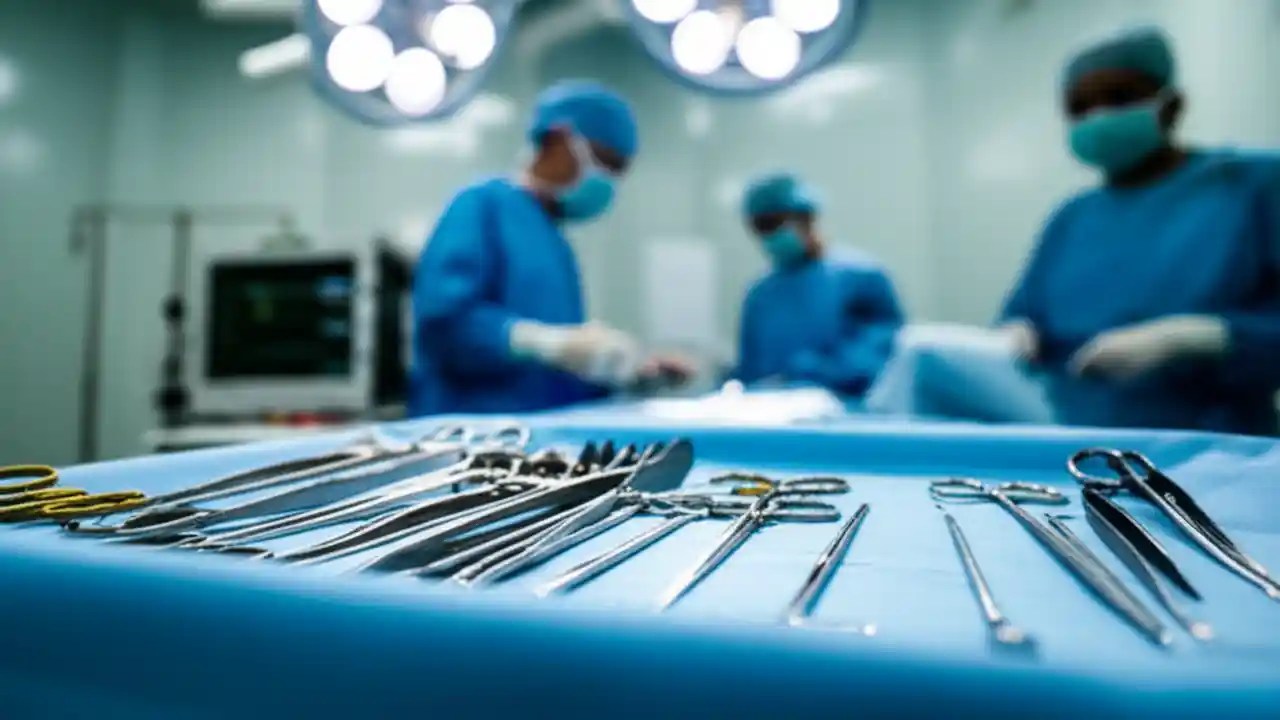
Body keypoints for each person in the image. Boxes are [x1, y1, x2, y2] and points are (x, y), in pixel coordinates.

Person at [1000, 26, 1280, 434]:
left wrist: (1202, 338)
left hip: (1216, 453)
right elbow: (1024, 312)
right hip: (1072, 445)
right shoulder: (1073, 216)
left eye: (1119, 98)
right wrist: (1016, 333)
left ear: (1173, 105)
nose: (1098, 117)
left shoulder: (1253, 186)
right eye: (1079, 107)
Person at [409, 80, 689, 416]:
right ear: (558, 139)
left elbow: (557, 374)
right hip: (469, 439)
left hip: (545, 444)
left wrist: (625, 371)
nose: (611, 181)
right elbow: (444, 326)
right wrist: (546, 343)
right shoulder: (481, 205)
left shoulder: (555, 240)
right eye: (606, 162)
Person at [734, 173, 905, 397]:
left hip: (850, 416)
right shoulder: (760, 294)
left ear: (806, 218)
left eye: (773, 223)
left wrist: (807, 376)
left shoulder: (862, 277)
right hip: (771, 419)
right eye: (760, 227)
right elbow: (749, 370)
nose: (768, 235)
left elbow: (880, 356)